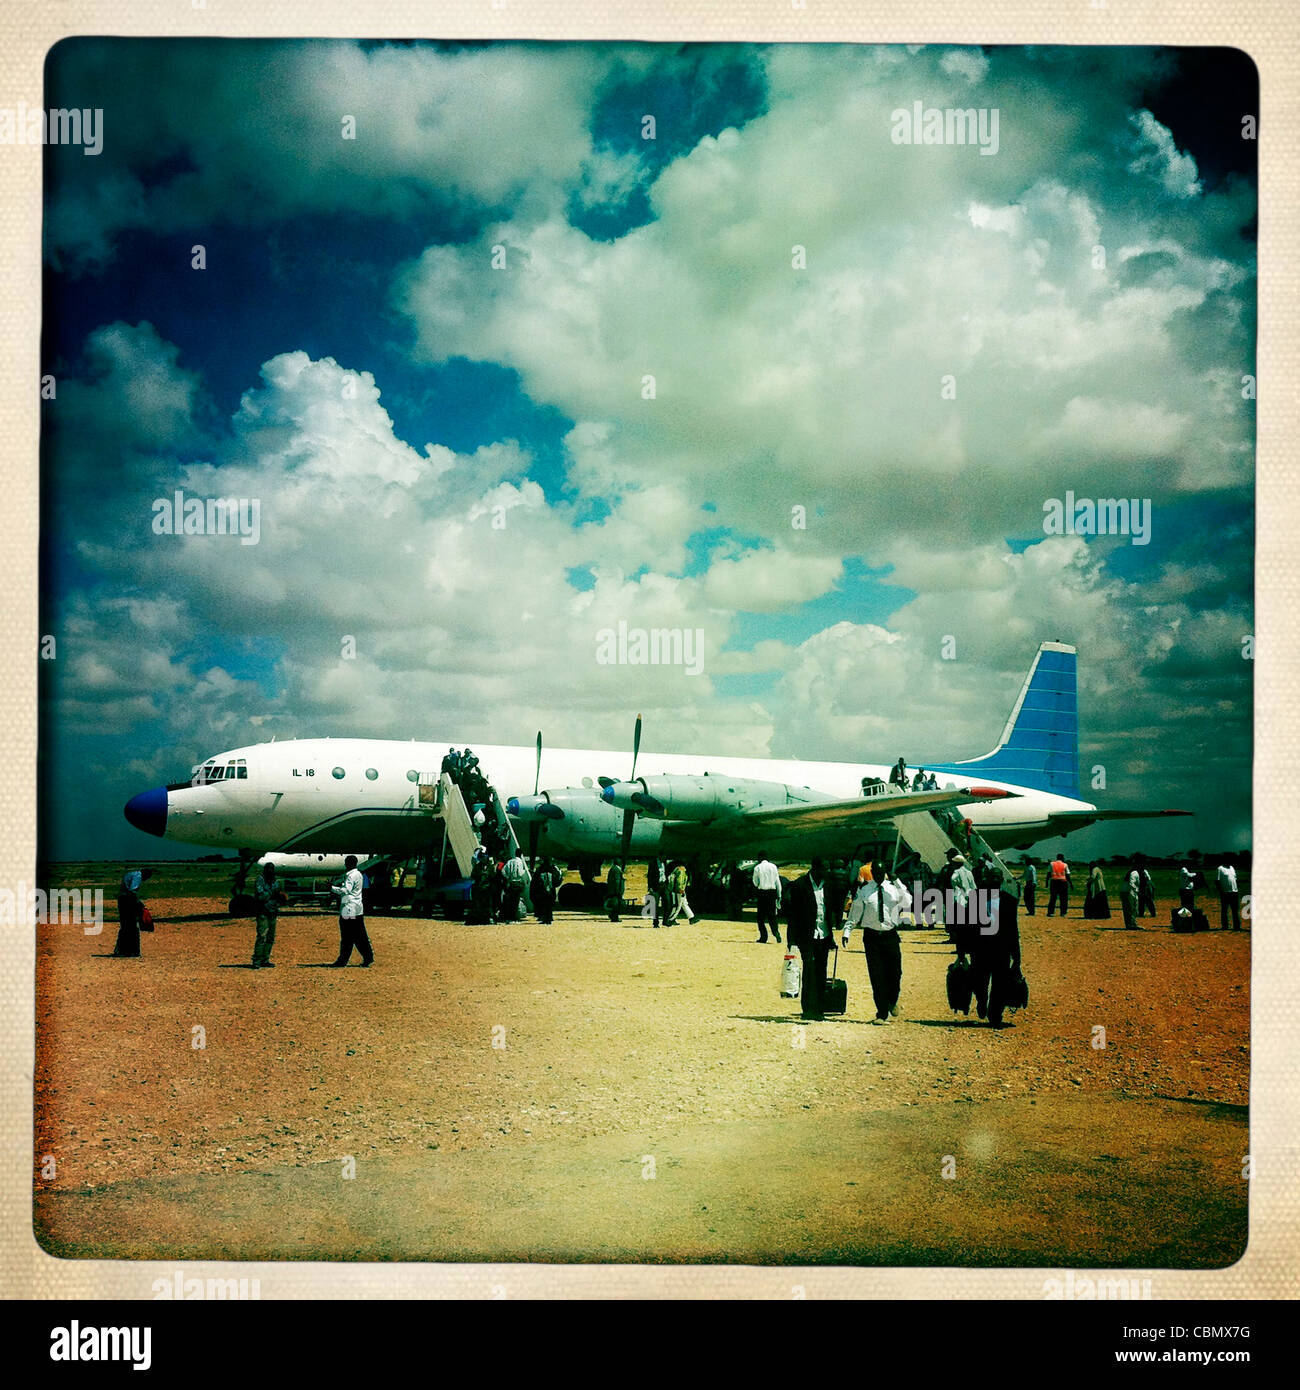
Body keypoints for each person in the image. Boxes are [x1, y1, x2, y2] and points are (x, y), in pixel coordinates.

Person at [842, 860, 907, 1024]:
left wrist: (897, 881)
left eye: (881, 873)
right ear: (872, 872)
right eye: (875, 873)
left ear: (885, 872)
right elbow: (855, 913)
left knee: (895, 973)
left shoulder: (893, 888)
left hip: (890, 936)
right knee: (877, 975)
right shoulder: (864, 890)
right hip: (872, 938)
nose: (878, 876)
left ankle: (892, 1000)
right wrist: (847, 931)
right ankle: (882, 1013)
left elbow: (908, 902)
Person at [967, 880, 1022, 1028]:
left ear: (1000, 882)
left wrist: (1017, 957)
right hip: (980, 949)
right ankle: (982, 1001)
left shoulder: (1009, 901)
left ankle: (995, 1015)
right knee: (980, 981)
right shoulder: (976, 899)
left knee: (1000, 984)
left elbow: (1013, 929)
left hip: (1001, 949)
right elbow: (967, 926)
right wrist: (963, 949)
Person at [787, 859, 832, 1019]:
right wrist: (791, 940)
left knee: (821, 972)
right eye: (824, 869)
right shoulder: (800, 885)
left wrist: (831, 937)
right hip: (806, 936)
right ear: (815, 869)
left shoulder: (827, 885)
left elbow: (828, 911)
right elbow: (793, 914)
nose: (827, 872)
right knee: (809, 971)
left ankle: (819, 1009)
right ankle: (807, 1009)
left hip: (824, 935)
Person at [329, 855, 373, 966]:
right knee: (360, 935)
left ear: (348, 864)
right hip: (357, 907)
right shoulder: (358, 874)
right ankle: (368, 956)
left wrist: (332, 888)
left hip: (348, 909)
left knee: (347, 936)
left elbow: (346, 890)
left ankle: (342, 960)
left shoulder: (350, 876)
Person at [111, 868, 153, 957]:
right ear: (145, 875)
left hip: (122, 900)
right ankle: (131, 951)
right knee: (131, 925)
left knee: (125, 925)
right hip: (127, 901)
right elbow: (132, 890)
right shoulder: (138, 876)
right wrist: (138, 903)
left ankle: (121, 950)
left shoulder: (131, 873)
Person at [251, 862, 283, 968]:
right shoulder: (260, 880)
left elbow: (278, 894)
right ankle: (257, 960)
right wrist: (272, 893)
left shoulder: (275, 881)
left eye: (272, 869)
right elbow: (260, 896)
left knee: (270, 937)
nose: (270, 871)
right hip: (263, 912)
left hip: (273, 911)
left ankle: (265, 959)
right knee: (262, 936)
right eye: (268, 868)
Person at [751, 853, 783, 943]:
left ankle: (763, 937)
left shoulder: (757, 868)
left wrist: (758, 886)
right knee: (772, 915)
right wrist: (779, 895)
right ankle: (776, 932)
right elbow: (777, 881)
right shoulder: (773, 867)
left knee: (760, 917)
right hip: (772, 893)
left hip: (762, 893)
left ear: (759, 858)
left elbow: (755, 881)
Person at [501, 848, 531, 920]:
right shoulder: (520, 862)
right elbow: (521, 873)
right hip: (518, 883)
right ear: (521, 855)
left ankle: (509, 916)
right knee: (516, 901)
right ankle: (514, 917)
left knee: (510, 900)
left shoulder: (510, 861)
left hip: (511, 883)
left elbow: (503, 871)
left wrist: (508, 877)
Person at [531, 857, 561, 925]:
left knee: (543, 904)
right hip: (551, 889)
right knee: (549, 905)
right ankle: (549, 918)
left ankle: (544, 918)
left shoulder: (539, 869)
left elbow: (535, 880)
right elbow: (557, 878)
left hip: (542, 889)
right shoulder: (553, 869)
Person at [1216, 856, 1242, 931]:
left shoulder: (1232, 868)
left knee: (1235, 910)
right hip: (1225, 893)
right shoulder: (1220, 868)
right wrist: (1221, 892)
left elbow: (1235, 879)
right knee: (1224, 910)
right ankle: (1225, 926)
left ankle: (1236, 927)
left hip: (1234, 892)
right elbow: (1217, 881)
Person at [647, 857, 668, 928]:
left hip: (663, 885)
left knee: (667, 902)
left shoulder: (664, 863)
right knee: (655, 905)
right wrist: (650, 887)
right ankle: (655, 923)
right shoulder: (653, 863)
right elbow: (649, 875)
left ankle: (665, 920)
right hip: (656, 886)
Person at [1121, 860, 1140, 931]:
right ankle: (1131, 925)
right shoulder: (1134, 873)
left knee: (1129, 908)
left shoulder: (1131, 872)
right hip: (1129, 892)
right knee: (1131, 908)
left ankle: (1130, 924)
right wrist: (1136, 890)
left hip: (1125, 891)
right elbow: (1131, 883)